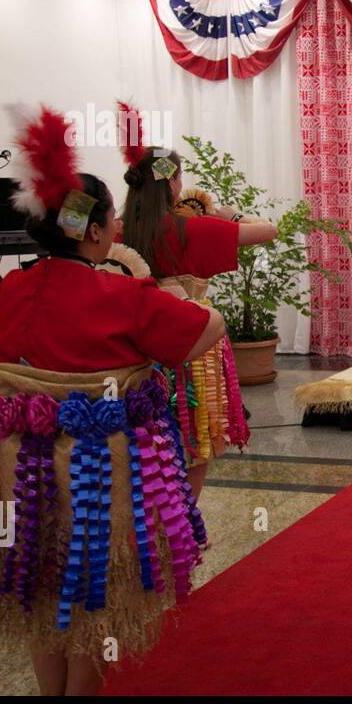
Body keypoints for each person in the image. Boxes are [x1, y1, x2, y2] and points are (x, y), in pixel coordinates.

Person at [0, 105, 225, 695]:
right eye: (108, 219)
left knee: (41, 590)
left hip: (22, 472)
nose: (115, 227)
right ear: (92, 230)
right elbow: (201, 332)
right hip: (94, 471)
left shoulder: (14, 289)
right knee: (95, 600)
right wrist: (190, 299)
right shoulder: (121, 294)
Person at [117, 102, 276, 502]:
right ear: (172, 184)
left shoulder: (114, 232)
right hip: (189, 345)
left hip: (133, 349)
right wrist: (231, 215)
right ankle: (183, 519)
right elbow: (268, 231)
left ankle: (149, 514)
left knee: (143, 434)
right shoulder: (191, 230)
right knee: (193, 436)